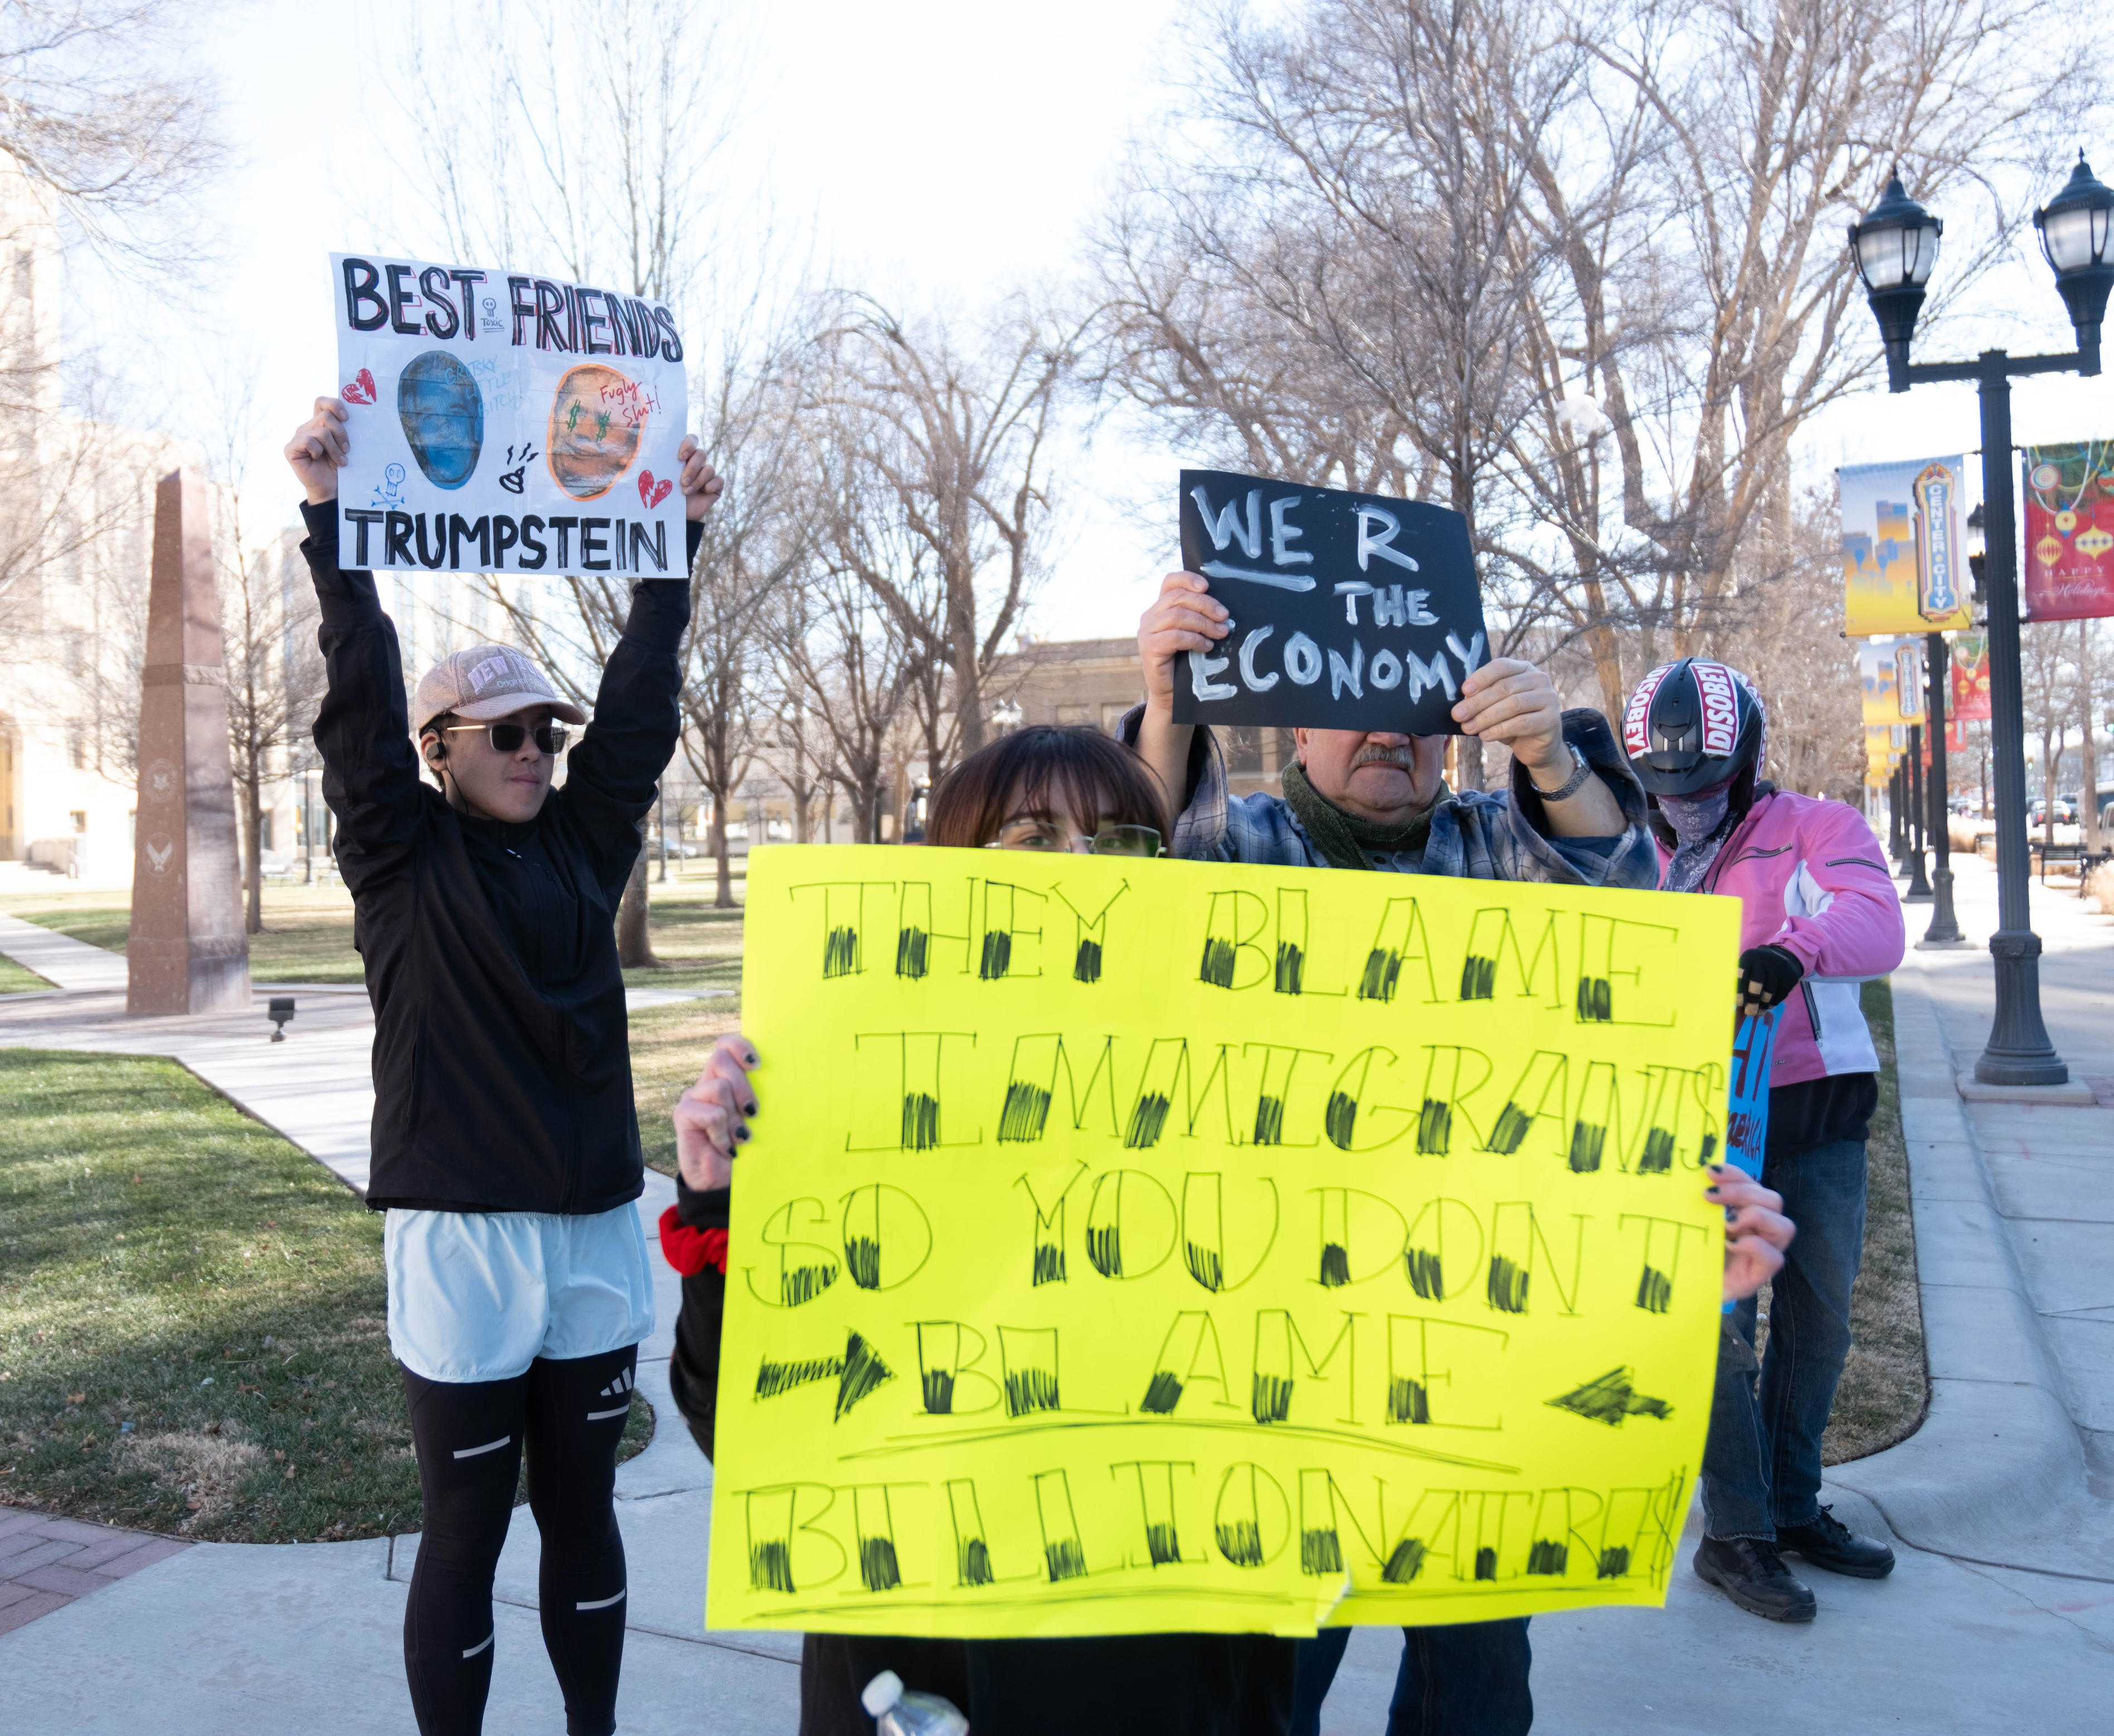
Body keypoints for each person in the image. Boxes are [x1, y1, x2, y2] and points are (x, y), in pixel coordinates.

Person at [665, 724, 1302, 1735]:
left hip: (1163, 1666)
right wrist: (721, 1203)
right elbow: (737, 1427)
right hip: (926, 1666)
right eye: (1034, 835)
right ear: (952, 870)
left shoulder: (1243, 1093)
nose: (1082, 869)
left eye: (1122, 839)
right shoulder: (857, 1098)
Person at [284, 394, 723, 1736]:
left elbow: (640, 716)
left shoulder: (588, 848)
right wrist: (329, 526)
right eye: (507, 735)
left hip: (592, 1228)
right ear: (441, 753)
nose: (538, 752)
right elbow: (358, 694)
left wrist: (677, 552)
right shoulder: (398, 857)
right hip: (461, 1242)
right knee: (467, 1527)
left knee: (583, 1511)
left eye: (547, 734)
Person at [1622, 657, 1905, 1623]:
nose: (1685, 806)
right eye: (1667, 790)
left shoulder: (1820, 830)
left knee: (1819, 1326)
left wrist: (1798, 947)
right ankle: (1737, 1532)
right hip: (1700, 1131)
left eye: (1703, 786)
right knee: (1722, 1335)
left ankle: (1792, 1505)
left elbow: (1878, 925)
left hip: (1819, 1115)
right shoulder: (1634, 855)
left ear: (1742, 765)